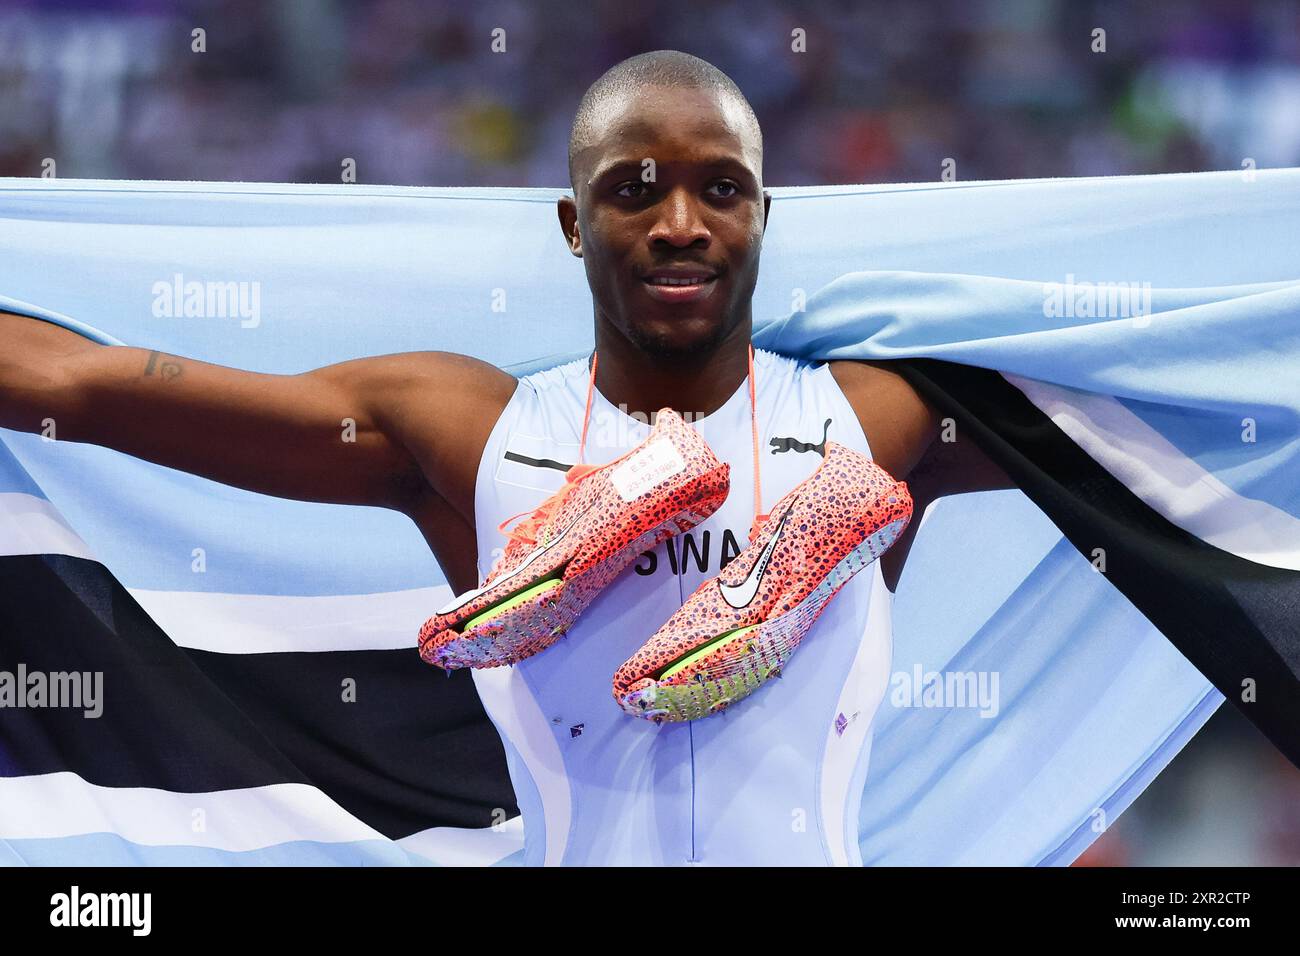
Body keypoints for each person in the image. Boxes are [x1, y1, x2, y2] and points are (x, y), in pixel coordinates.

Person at [0, 50, 1009, 865]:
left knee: (893, 443)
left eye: (722, 189)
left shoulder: (876, 415)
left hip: (828, 478)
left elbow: (1123, 425)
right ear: (574, 225)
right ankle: (619, 496)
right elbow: (79, 386)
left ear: (761, 217)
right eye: (633, 192)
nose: (680, 225)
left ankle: (770, 514)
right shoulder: (466, 431)